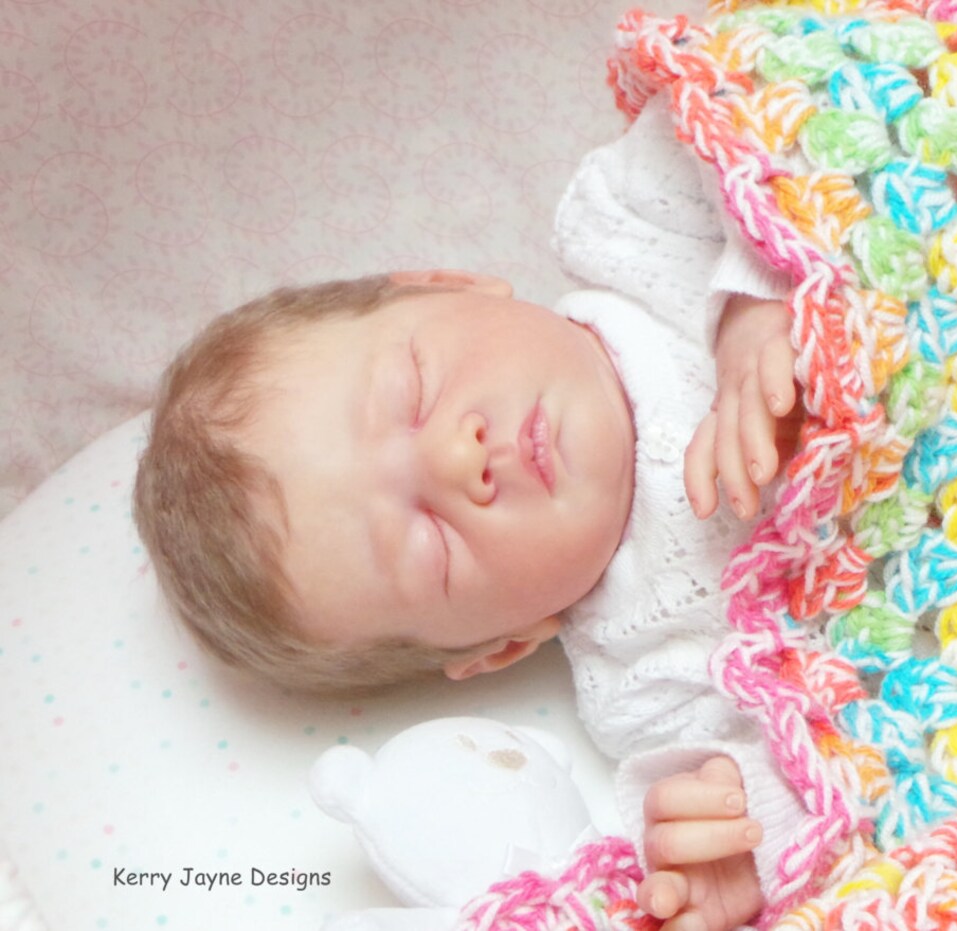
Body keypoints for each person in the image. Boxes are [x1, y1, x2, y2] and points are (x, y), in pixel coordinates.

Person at [132, 97, 805, 931]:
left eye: (415, 389)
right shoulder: (644, 679)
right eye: (429, 543)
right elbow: (842, 743)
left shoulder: (631, 220)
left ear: (445, 285)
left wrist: (760, 292)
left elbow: (767, 104)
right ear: (504, 642)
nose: (460, 459)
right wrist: (750, 824)